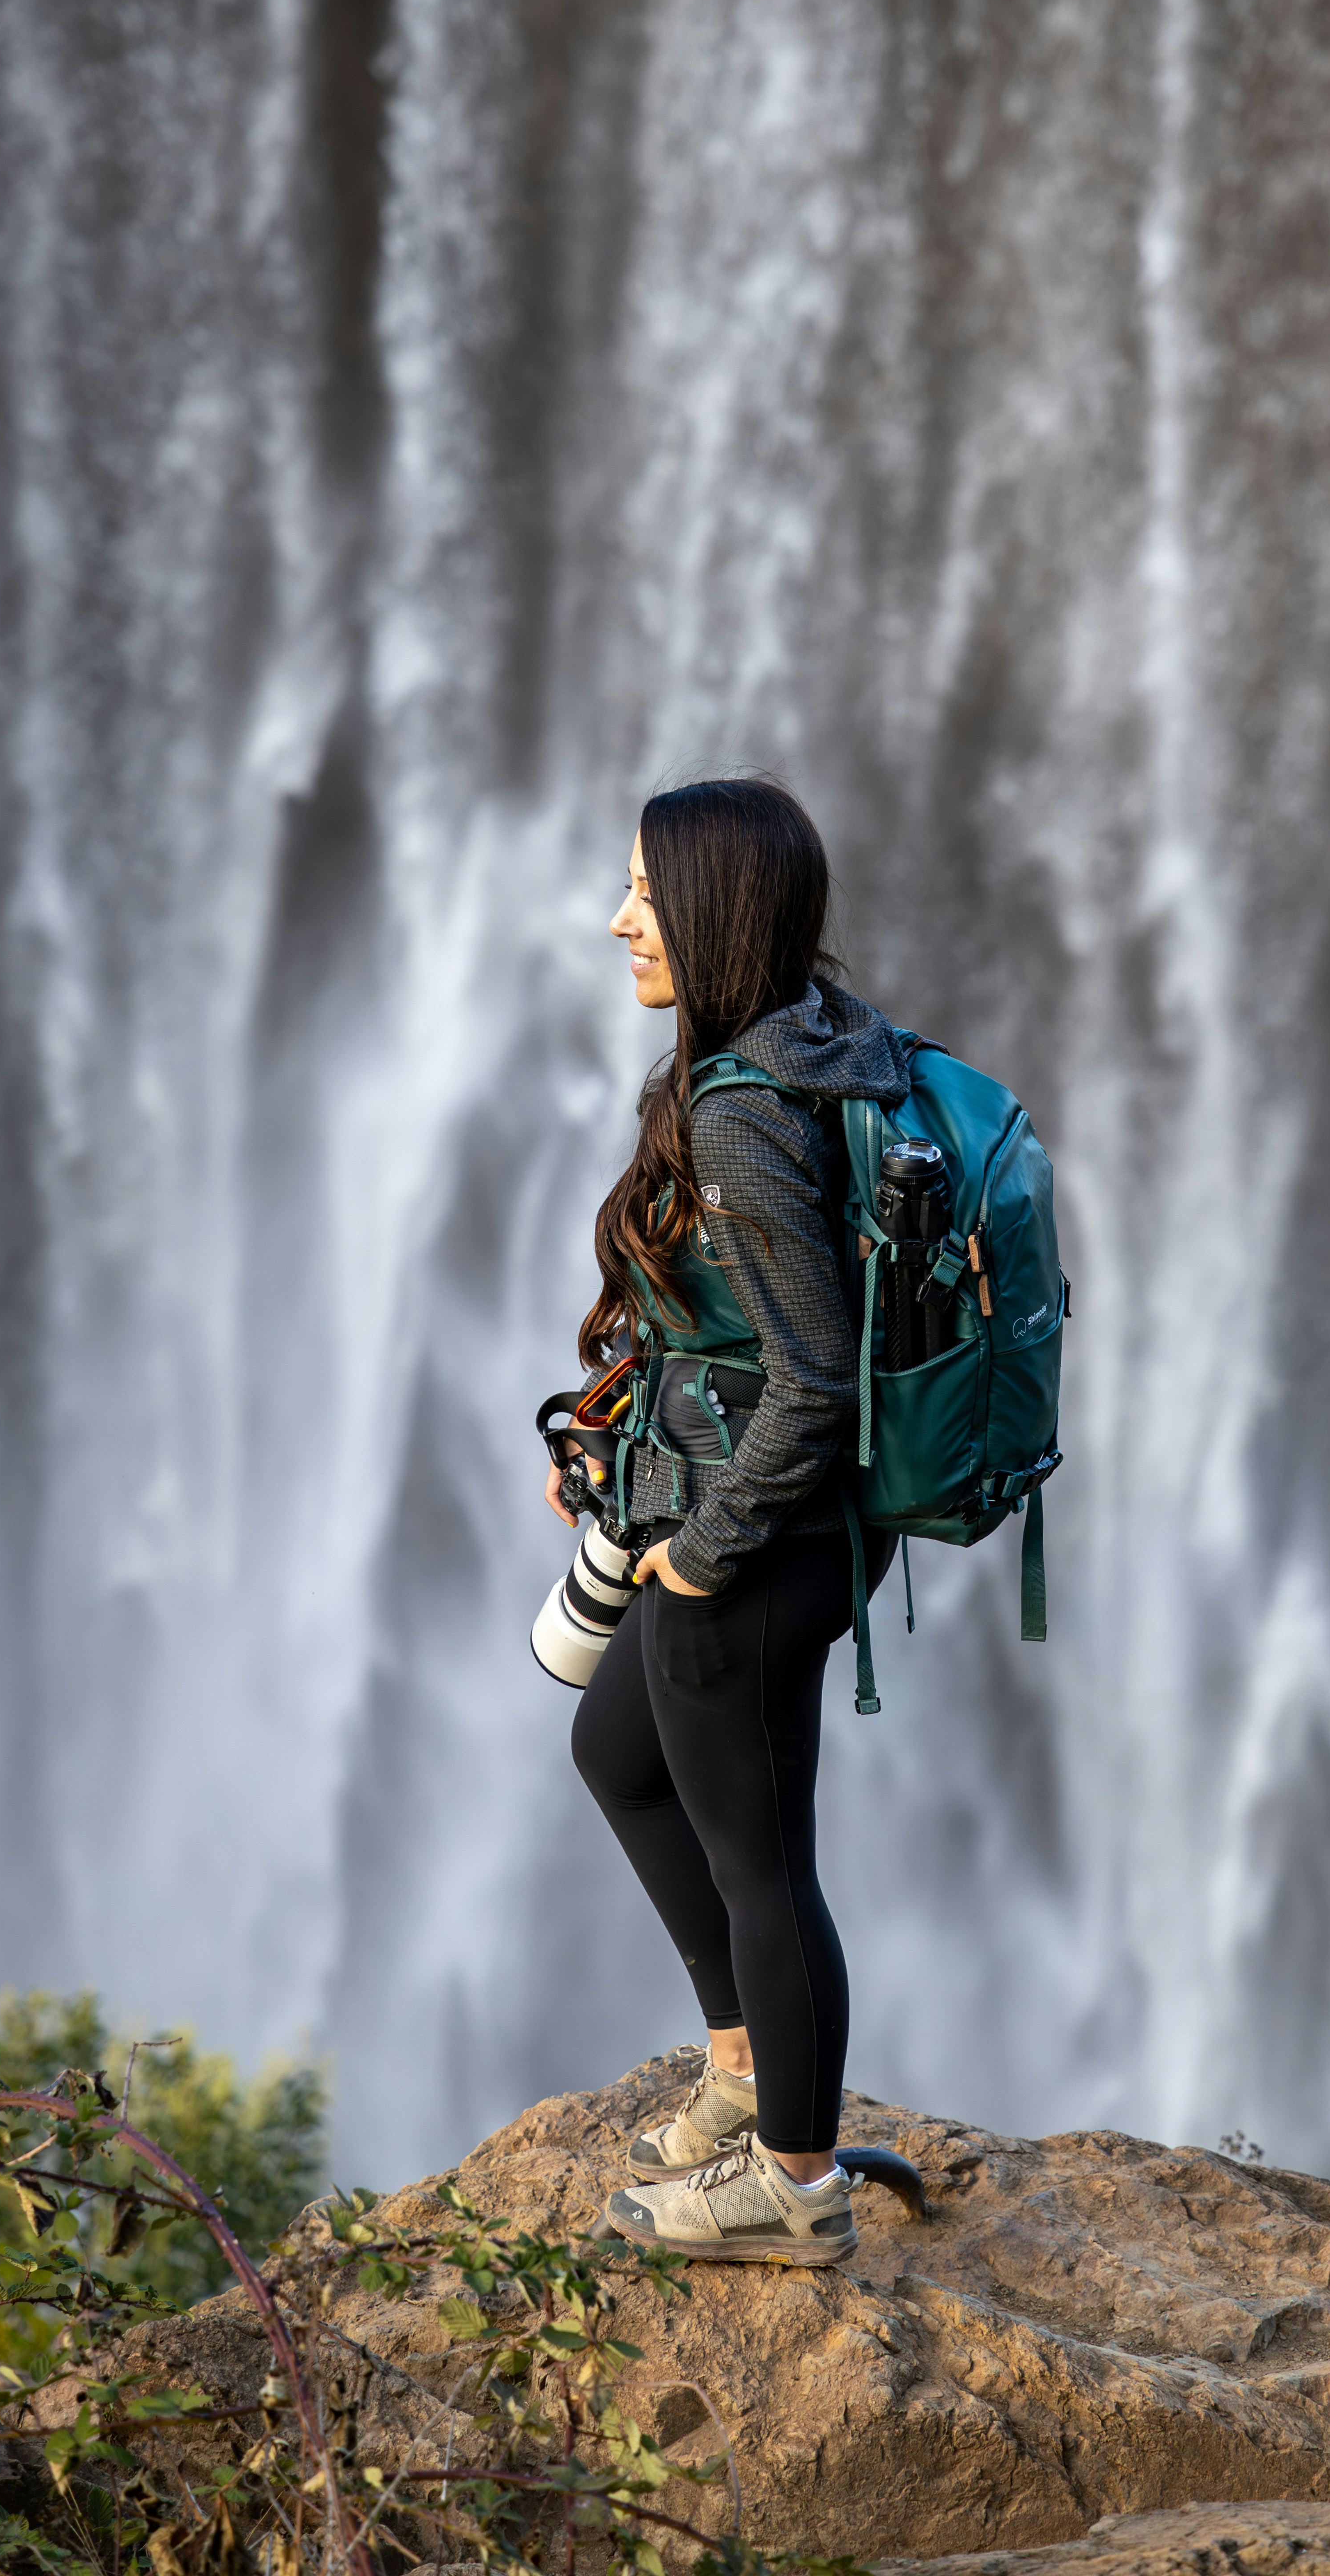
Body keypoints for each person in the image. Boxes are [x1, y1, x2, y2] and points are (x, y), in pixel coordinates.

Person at [557, 778, 908, 2266]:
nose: (620, 918)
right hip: (748, 1510)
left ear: (716, 914)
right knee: (618, 1750)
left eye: (646, 892)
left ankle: (798, 2186)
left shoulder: (746, 1109)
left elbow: (817, 1375)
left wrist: (699, 1554)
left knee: (766, 1859)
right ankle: (747, 2066)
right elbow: (756, 1333)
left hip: (760, 1542)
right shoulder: (817, 1050)